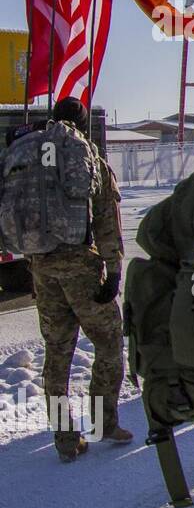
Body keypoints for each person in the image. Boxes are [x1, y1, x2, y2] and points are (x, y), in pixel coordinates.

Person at [16, 98, 132, 460]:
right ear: (83, 124)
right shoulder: (87, 157)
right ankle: (102, 423)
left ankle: (65, 440)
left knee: (57, 352)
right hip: (81, 268)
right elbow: (106, 221)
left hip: (41, 267)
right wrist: (113, 270)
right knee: (110, 344)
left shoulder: (31, 158)